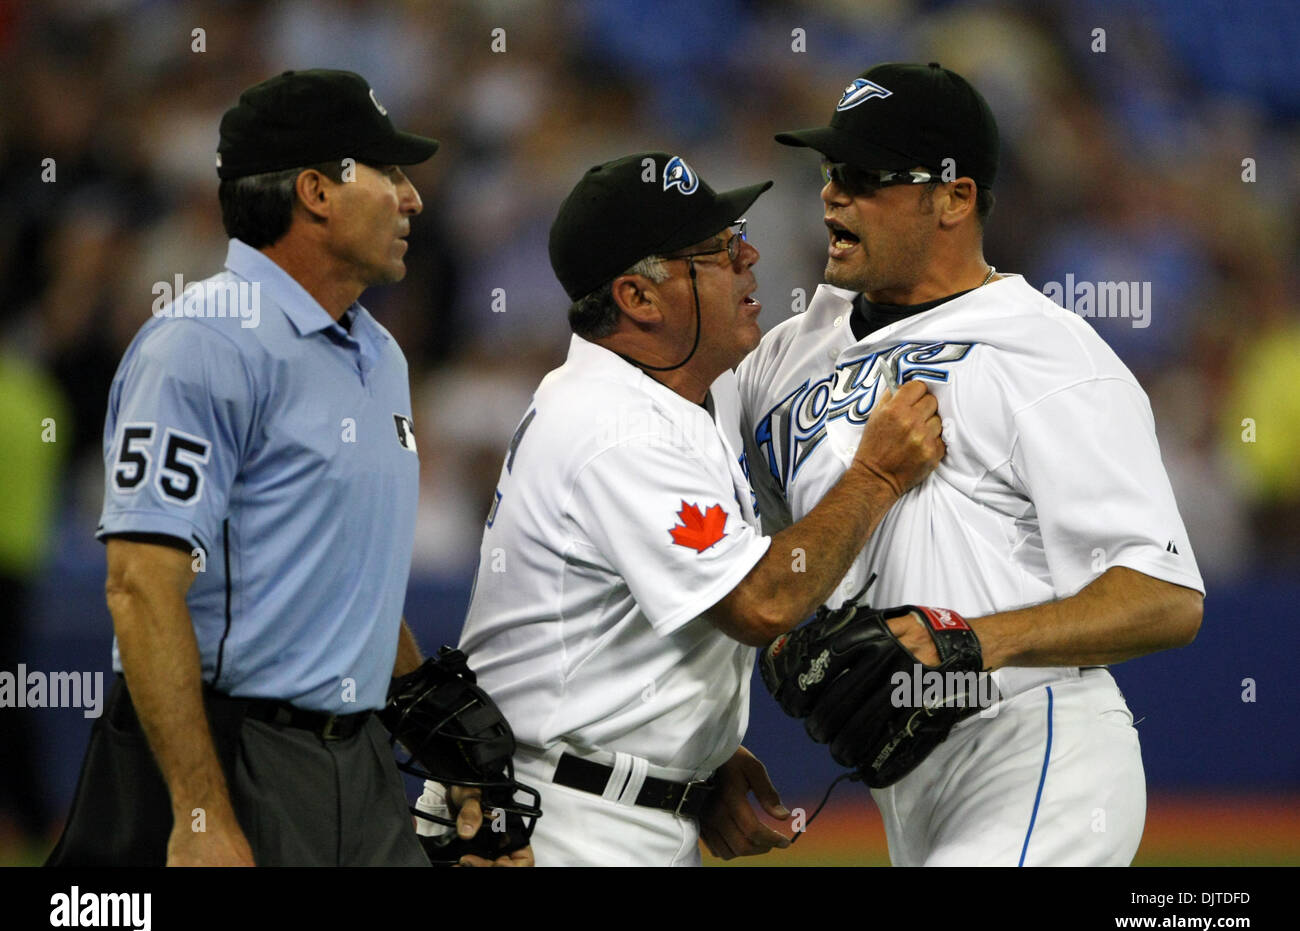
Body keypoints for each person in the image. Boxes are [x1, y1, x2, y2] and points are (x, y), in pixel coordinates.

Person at [47, 69, 525, 867]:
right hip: (233, 751)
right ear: (315, 190)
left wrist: (450, 758)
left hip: (360, 764)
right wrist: (200, 813)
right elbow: (139, 583)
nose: (412, 199)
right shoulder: (201, 344)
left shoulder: (379, 351)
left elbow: (344, 583)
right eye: (390, 173)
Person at [737, 62, 1205, 865]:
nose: (832, 193)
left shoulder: (1048, 350)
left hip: (1036, 746)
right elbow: (756, 560)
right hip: (902, 782)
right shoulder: (782, 358)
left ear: (955, 197)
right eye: (829, 171)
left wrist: (971, 641)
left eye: (865, 174)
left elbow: (1166, 598)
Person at [449, 152, 945, 866]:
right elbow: (760, 603)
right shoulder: (615, 424)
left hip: (601, 800)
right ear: (638, 298)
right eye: (715, 250)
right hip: (563, 825)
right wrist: (876, 474)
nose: (750, 255)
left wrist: (690, 762)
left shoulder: (661, 401)